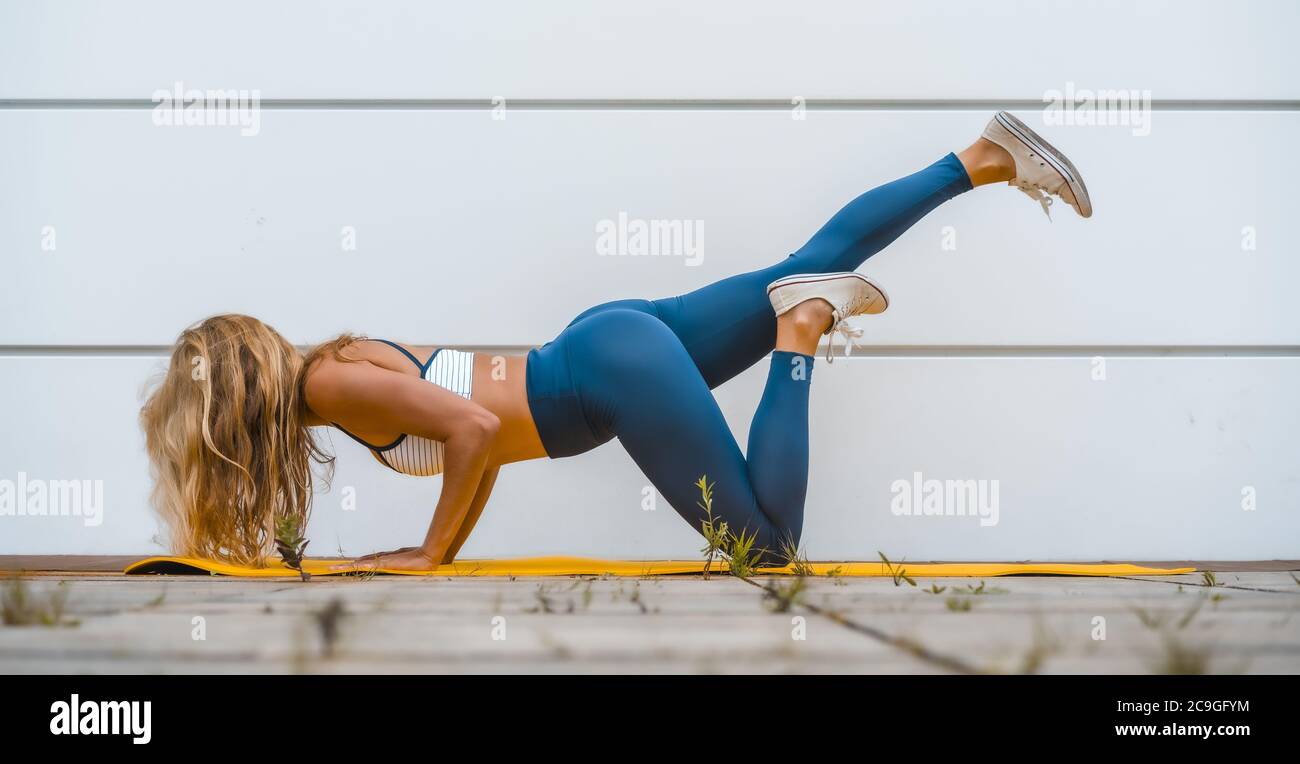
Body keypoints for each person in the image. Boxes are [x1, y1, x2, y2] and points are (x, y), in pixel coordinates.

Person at [140, 112, 1090, 569]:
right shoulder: (338, 366)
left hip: (606, 373)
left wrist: (428, 557)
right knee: (808, 256)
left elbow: (471, 430)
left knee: (765, 551)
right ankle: (984, 158)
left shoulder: (332, 389)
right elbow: (483, 438)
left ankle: (803, 327)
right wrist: (425, 547)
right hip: (607, 344)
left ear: (233, 408)